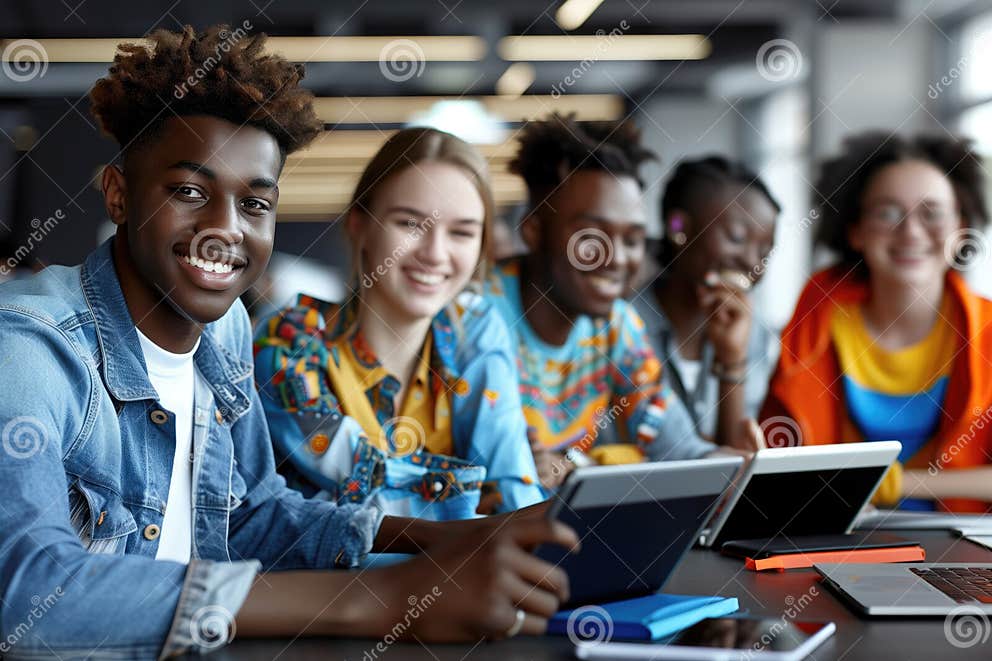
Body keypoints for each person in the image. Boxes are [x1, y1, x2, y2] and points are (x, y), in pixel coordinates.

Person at [0, 26, 575, 658]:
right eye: (190, 192)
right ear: (118, 194)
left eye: (255, 204)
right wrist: (379, 601)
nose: (225, 229)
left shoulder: (223, 329)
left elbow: (251, 514)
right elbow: (27, 594)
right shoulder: (30, 350)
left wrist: (452, 539)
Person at [254, 127, 544, 519]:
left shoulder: (474, 330)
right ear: (360, 223)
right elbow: (361, 482)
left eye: (462, 232)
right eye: (410, 223)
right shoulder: (288, 342)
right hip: (339, 580)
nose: (435, 253)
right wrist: (479, 497)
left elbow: (513, 485)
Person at [484, 113, 758, 491]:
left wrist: (731, 467)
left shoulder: (617, 326)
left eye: (631, 239)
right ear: (533, 230)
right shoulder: (477, 318)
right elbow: (492, 477)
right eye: (592, 235)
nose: (615, 258)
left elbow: (679, 449)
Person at [761, 131, 992, 512]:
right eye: (887, 212)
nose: (911, 232)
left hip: (962, 546)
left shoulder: (987, 330)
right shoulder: (815, 321)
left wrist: (892, 482)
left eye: (932, 213)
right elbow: (772, 461)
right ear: (855, 231)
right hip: (834, 539)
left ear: (960, 228)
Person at [634, 156, 780, 442]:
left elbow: (738, 461)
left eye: (765, 252)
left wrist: (732, 361)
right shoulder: (623, 325)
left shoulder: (754, 333)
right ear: (678, 227)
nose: (752, 262)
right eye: (736, 238)